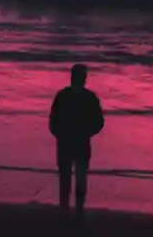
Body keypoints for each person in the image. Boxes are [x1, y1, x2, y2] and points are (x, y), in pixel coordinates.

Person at [49, 63, 104, 221]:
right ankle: (78, 210)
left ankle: (64, 209)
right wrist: (87, 133)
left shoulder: (62, 96)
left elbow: (53, 121)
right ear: (84, 78)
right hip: (81, 142)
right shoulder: (90, 98)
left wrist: (60, 134)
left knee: (64, 177)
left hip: (65, 142)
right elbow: (99, 122)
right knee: (80, 177)